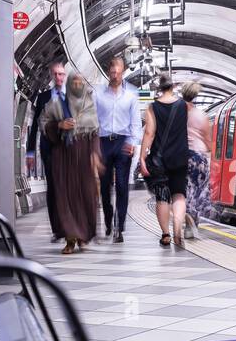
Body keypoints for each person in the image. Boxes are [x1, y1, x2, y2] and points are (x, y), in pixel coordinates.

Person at [39, 69, 101, 254]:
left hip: (83, 157)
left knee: (85, 197)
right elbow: (44, 123)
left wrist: (95, 154)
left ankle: (83, 234)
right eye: (73, 82)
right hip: (63, 157)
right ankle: (70, 238)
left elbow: (95, 132)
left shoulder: (89, 105)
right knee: (65, 197)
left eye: (80, 82)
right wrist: (59, 125)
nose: (76, 85)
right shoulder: (56, 104)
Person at [94, 55, 142, 243]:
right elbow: (93, 120)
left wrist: (132, 142)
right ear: (108, 72)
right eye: (112, 72)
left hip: (123, 142)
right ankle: (108, 219)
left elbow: (136, 122)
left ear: (123, 72)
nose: (115, 75)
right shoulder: (98, 93)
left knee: (122, 185)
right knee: (105, 186)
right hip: (104, 142)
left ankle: (119, 226)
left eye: (119, 72)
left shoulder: (131, 94)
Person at [139, 73, 189, 249]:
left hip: (160, 160)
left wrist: (142, 157)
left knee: (162, 197)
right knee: (179, 195)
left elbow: (149, 133)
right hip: (180, 157)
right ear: (173, 86)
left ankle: (166, 234)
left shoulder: (152, 107)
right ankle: (177, 224)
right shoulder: (183, 105)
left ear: (159, 88)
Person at [26, 62, 68, 241]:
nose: (59, 77)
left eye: (61, 74)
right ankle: (57, 229)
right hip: (48, 149)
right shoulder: (43, 98)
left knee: (66, 187)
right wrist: (29, 153)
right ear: (51, 76)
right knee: (53, 187)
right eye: (56, 74)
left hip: (68, 148)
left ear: (65, 76)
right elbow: (35, 126)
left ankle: (68, 224)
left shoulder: (72, 97)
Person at [182, 81, 212, 239]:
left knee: (185, 191)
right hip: (199, 157)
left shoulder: (176, 114)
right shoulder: (202, 116)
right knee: (199, 191)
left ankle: (187, 222)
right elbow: (208, 142)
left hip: (182, 156)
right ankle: (193, 221)